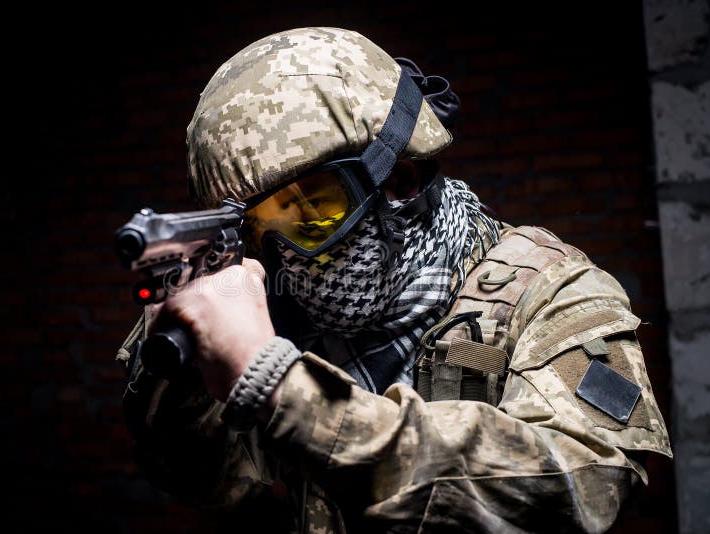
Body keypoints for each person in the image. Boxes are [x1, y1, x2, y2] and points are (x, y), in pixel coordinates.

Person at [118, 27, 672, 532]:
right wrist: (186, 371)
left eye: (315, 209)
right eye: (263, 227)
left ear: (401, 177)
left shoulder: (552, 294)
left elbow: (578, 489)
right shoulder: (279, 314)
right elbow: (202, 482)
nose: (287, 253)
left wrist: (281, 387)